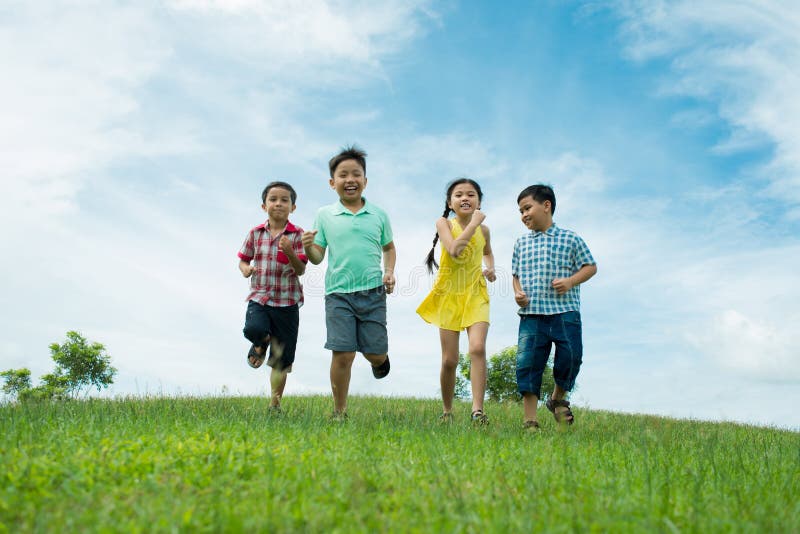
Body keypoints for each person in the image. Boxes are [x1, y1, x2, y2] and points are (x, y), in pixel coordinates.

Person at [301, 145, 396, 419]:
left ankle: (380, 360)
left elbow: (389, 247)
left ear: (365, 181)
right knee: (343, 353)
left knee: (374, 353)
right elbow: (317, 257)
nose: (350, 179)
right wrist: (308, 247)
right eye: (343, 175)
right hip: (338, 294)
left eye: (356, 174)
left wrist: (388, 271)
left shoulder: (379, 214)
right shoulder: (324, 215)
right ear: (333, 183)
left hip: (373, 293)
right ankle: (339, 411)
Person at [512, 184, 597, 430]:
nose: (524, 215)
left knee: (572, 356)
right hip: (532, 314)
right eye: (520, 211)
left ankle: (558, 398)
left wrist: (571, 281)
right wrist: (518, 293)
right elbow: (516, 275)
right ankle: (530, 421)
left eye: (527, 208)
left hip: (565, 311)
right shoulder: (521, 243)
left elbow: (590, 266)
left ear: (546, 205)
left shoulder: (570, 238)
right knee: (528, 363)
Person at [417, 178, 496, 424]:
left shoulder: (484, 230)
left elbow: (487, 252)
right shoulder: (444, 224)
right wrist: (473, 223)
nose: (465, 198)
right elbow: (454, 250)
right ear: (450, 203)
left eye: (471, 194)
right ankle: (448, 411)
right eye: (459, 195)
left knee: (477, 348)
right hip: (449, 294)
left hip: (475, 293)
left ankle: (477, 411)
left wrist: (490, 268)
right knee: (450, 360)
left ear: (479, 201)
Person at [238, 181, 308, 413]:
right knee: (253, 329)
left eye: (284, 200)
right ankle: (261, 342)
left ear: (293, 207)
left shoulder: (298, 235)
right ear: (263, 205)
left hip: (287, 302)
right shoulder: (255, 233)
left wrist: (289, 252)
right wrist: (246, 269)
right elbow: (243, 259)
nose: (278, 203)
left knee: (281, 359)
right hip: (260, 296)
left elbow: (300, 270)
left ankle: (275, 404)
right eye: (273, 199)